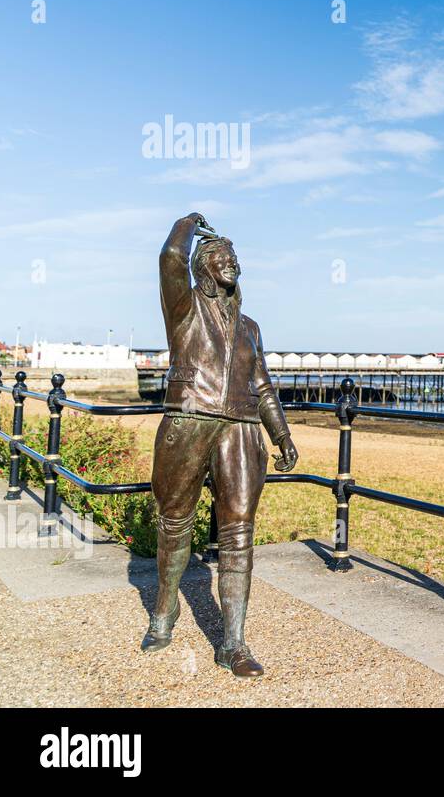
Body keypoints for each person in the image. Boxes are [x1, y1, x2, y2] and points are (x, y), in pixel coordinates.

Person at [140, 213, 298, 677]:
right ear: (204, 266)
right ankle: (164, 612)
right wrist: (188, 223)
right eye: (222, 256)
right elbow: (170, 256)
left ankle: (233, 643)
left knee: (238, 530)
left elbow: (263, 384)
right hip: (188, 420)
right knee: (174, 522)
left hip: (241, 429)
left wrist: (281, 433)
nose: (231, 262)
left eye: (235, 257)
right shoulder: (184, 309)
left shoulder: (250, 326)